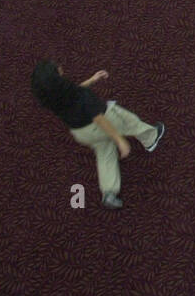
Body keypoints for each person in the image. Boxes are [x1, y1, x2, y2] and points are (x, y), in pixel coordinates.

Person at [30, 59, 164, 209]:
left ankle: (109, 192)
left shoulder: (53, 98)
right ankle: (151, 137)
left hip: (81, 133)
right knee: (129, 121)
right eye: (57, 68)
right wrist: (119, 140)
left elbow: (74, 91)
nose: (60, 67)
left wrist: (92, 79)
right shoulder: (84, 96)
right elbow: (100, 119)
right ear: (56, 76)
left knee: (105, 152)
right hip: (100, 122)